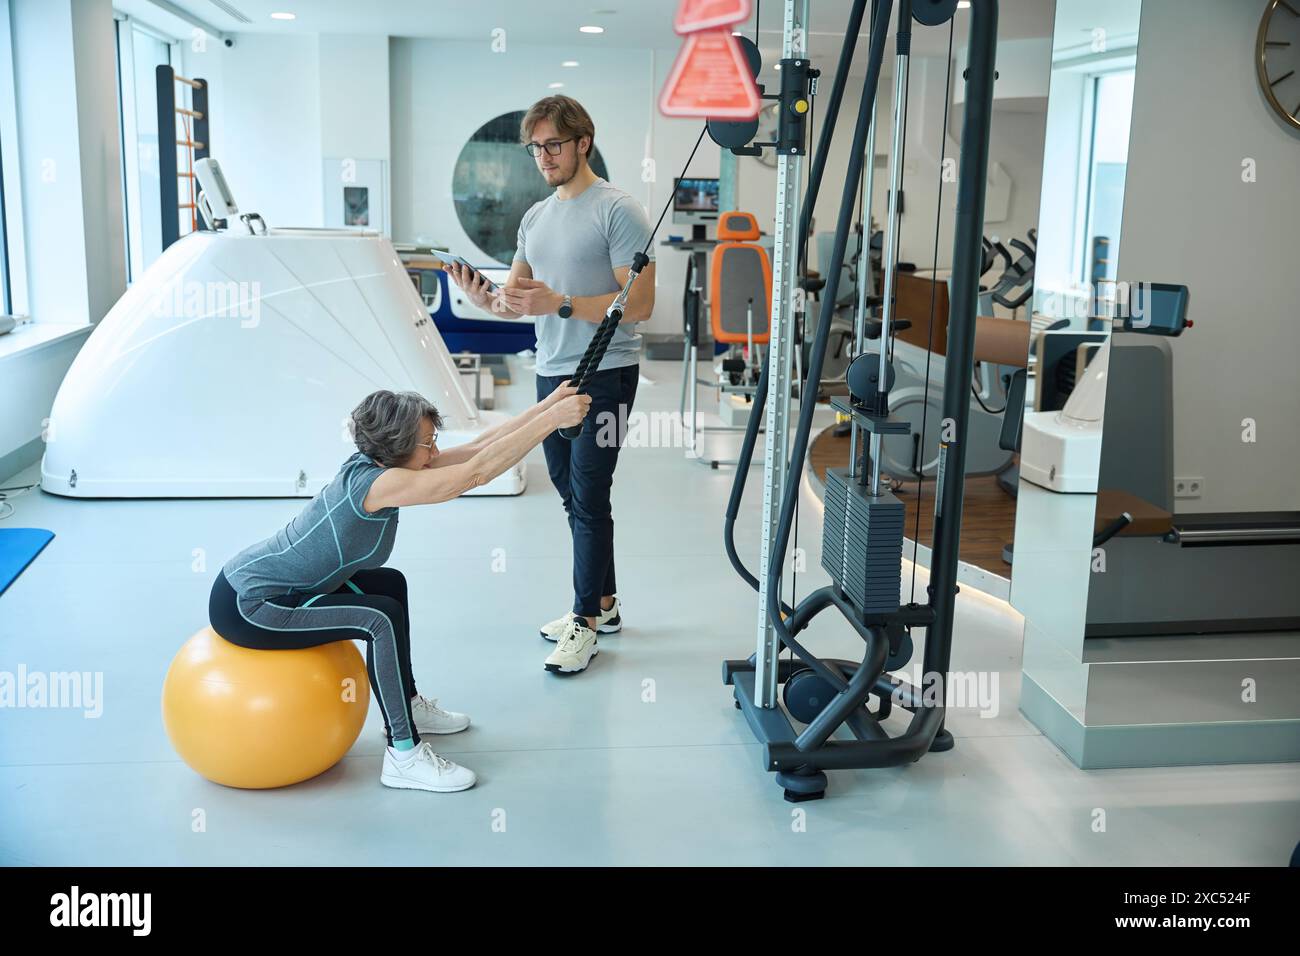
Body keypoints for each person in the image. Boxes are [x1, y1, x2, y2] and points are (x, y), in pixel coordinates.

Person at [208, 387, 590, 793]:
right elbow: (475, 473)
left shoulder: (380, 464)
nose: (435, 451)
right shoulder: (378, 485)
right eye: (428, 443)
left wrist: (549, 406)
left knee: (390, 585)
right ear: (396, 447)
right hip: (250, 604)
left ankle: (407, 706)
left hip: (277, 586)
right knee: (379, 618)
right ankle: (403, 755)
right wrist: (552, 422)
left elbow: (479, 448)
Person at [446, 94, 655, 676]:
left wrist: (560, 303)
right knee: (571, 495)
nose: (544, 156)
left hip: (604, 372)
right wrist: (481, 298)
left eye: (553, 145)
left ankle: (583, 621)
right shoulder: (535, 217)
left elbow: (638, 303)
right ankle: (605, 606)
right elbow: (515, 302)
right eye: (535, 148)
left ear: (583, 142)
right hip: (549, 372)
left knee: (589, 497)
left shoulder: (618, 210)